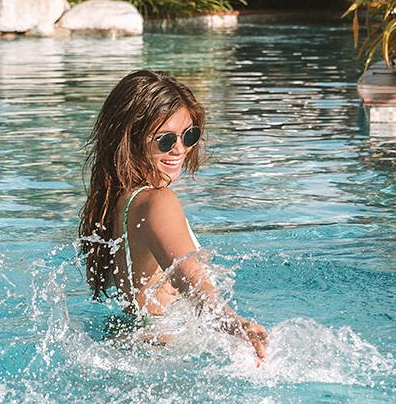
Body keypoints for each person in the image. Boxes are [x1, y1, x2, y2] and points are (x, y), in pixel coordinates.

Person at [79, 69, 268, 362]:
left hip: (133, 349)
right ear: (132, 139)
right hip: (164, 356)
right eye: (165, 140)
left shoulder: (117, 202)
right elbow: (189, 279)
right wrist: (233, 323)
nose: (180, 149)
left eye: (189, 135)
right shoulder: (158, 201)